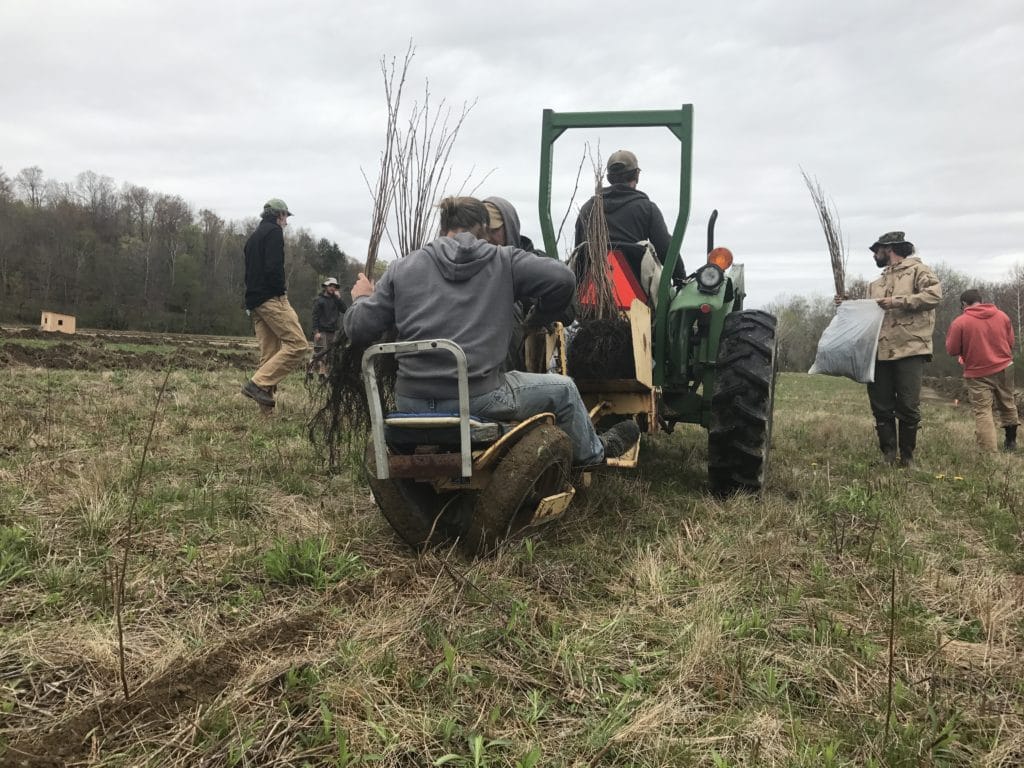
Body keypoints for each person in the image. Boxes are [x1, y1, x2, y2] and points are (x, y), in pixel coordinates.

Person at [343, 195, 640, 465]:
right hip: (479, 398)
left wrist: (363, 298)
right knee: (564, 390)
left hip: (411, 401)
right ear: (483, 228)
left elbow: (358, 328)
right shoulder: (502, 260)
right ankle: (594, 454)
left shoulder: (402, 267)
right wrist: (540, 317)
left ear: (443, 225)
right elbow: (563, 279)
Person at [840, 231, 942, 467]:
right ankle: (888, 455)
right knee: (881, 405)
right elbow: (868, 313)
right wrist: (846, 303)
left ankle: (907, 458)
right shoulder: (875, 283)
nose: (875, 255)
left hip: (910, 348)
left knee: (908, 405)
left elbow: (934, 295)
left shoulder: (919, 271)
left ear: (890, 249)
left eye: (877, 250)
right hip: (879, 351)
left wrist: (897, 301)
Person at [573, 149, 685, 293]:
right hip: (638, 297)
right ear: (636, 175)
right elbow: (666, 250)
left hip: (591, 294)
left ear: (609, 178)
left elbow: (579, 251)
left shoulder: (588, 208)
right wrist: (680, 279)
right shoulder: (647, 208)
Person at [241, 198, 309, 410]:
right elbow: (273, 268)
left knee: (269, 355)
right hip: (271, 298)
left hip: (255, 303)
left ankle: (265, 415)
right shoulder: (274, 232)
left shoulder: (252, 238)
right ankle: (256, 384)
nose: (287, 221)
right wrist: (280, 292)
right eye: (286, 216)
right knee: (298, 345)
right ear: (279, 215)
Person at [945, 288, 1019, 452]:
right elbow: (1011, 342)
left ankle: (989, 452)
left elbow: (952, 349)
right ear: (981, 300)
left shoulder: (960, 322)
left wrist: (965, 352)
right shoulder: (1002, 316)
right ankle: (1011, 442)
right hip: (1005, 367)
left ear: (964, 304)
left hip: (978, 372)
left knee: (983, 411)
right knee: (1008, 403)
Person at [310, 276, 347, 379]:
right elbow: (315, 317)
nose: (332, 288)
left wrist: (339, 299)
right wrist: (316, 331)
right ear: (326, 286)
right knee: (319, 352)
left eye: (334, 286)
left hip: (333, 330)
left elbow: (345, 310)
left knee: (329, 354)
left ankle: (322, 374)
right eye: (330, 285)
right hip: (321, 330)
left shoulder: (336, 300)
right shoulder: (319, 300)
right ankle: (310, 370)